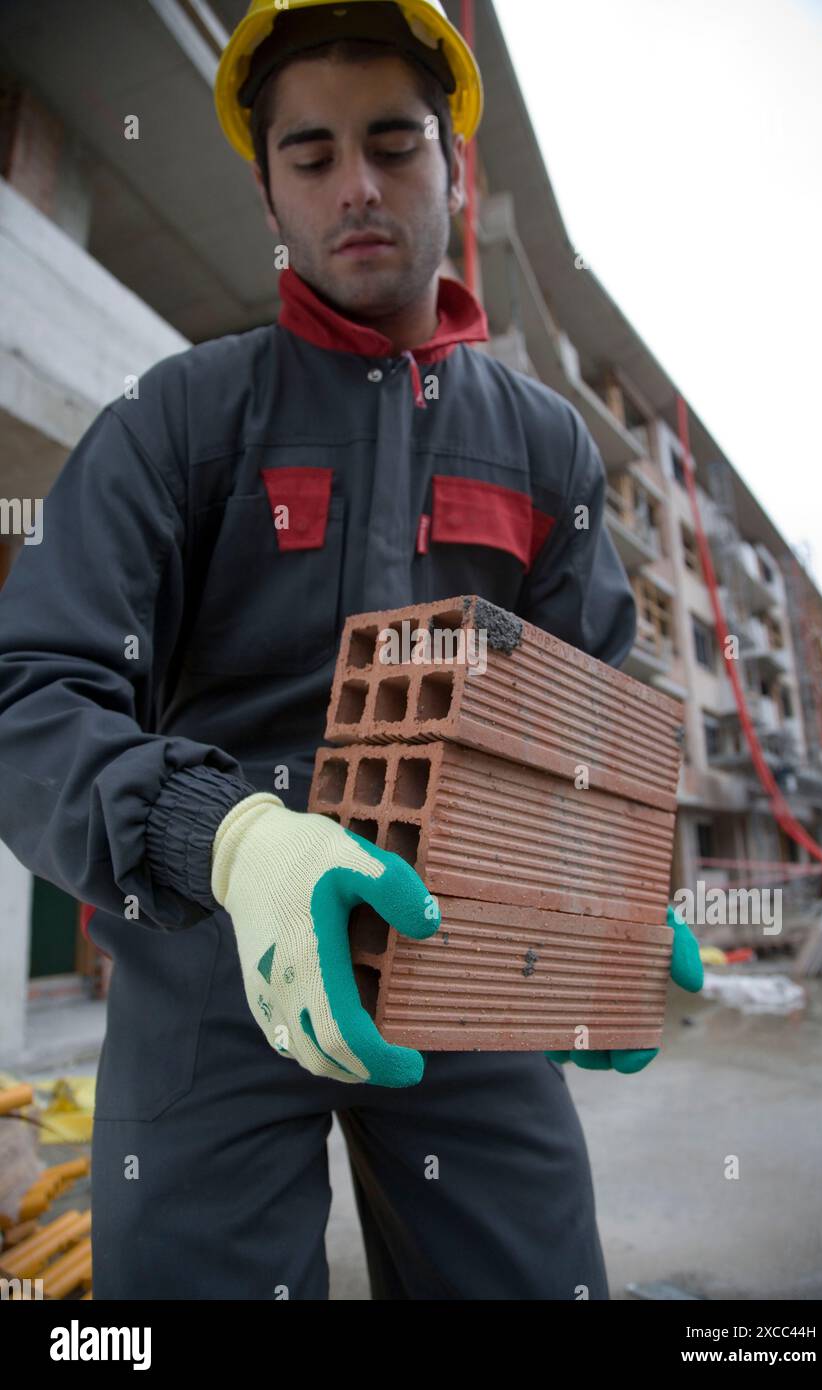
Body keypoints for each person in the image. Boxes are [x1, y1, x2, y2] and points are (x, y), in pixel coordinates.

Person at [0, 0, 701, 1299]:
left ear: (453, 164)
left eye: (393, 142)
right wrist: (229, 837)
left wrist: (611, 888)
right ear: (267, 188)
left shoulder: (545, 448)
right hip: (214, 962)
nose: (358, 187)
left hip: (466, 972)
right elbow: (32, 696)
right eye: (311, 155)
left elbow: (600, 703)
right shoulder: (179, 423)